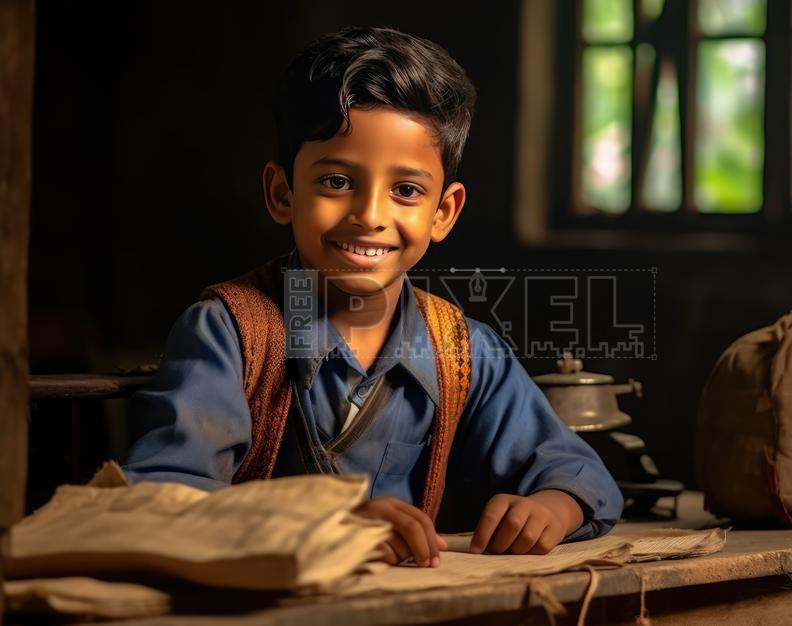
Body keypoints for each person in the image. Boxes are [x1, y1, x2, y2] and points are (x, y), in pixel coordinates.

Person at [124, 26, 623, 569]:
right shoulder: (230, 333)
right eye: (337, 182)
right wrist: (324, 524)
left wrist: (552, 507)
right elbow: (162, 495)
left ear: (443, 213)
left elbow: (579, 475)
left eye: (406, 190)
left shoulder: (461, 351)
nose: (369, 216)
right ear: (282, 193)